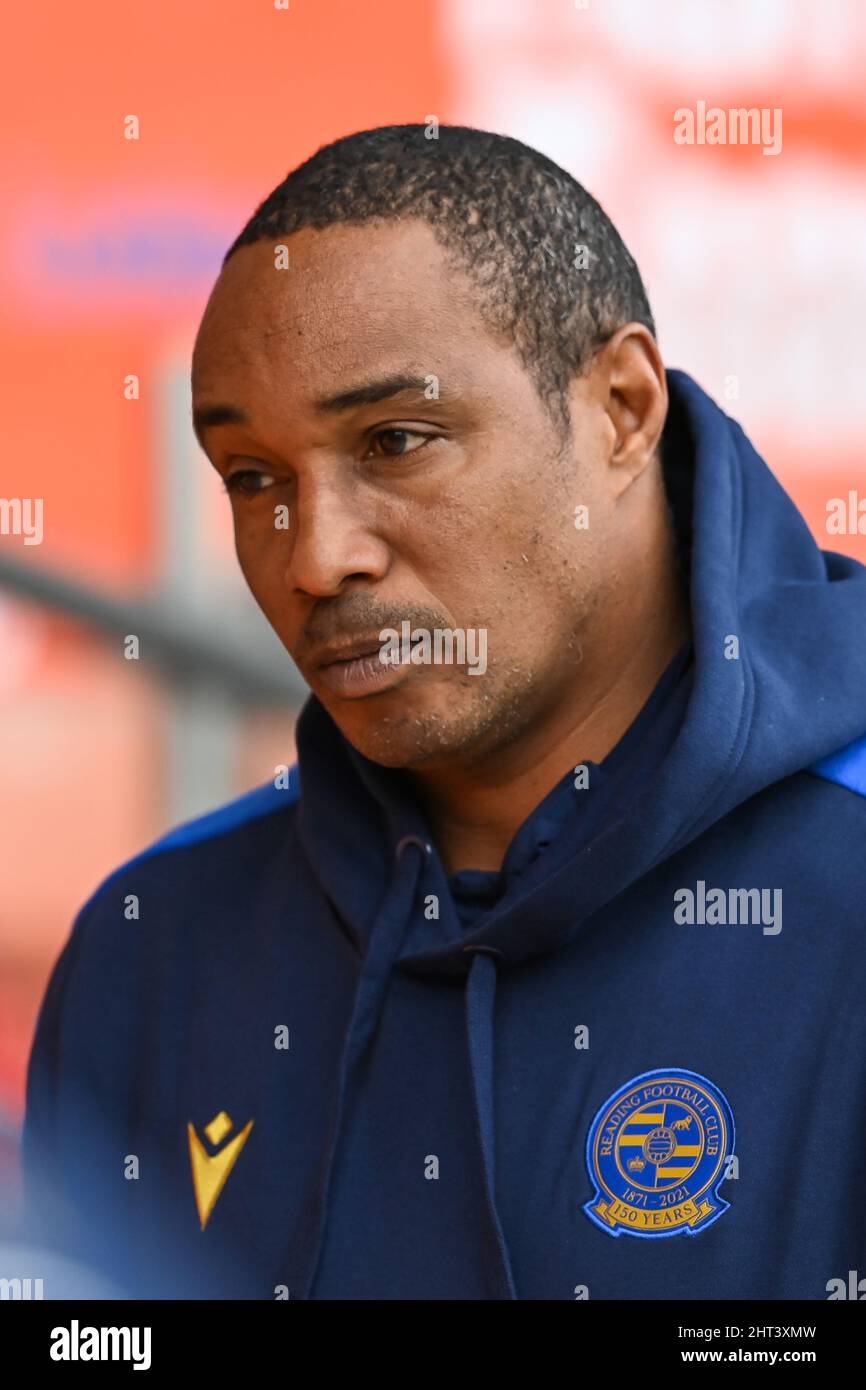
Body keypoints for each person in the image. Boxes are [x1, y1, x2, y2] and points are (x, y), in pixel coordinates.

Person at [22, 124, 866, 1300]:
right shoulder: (153, 943)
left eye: (396, 442)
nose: (315, 556)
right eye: (253, 478)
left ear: (621, 409)